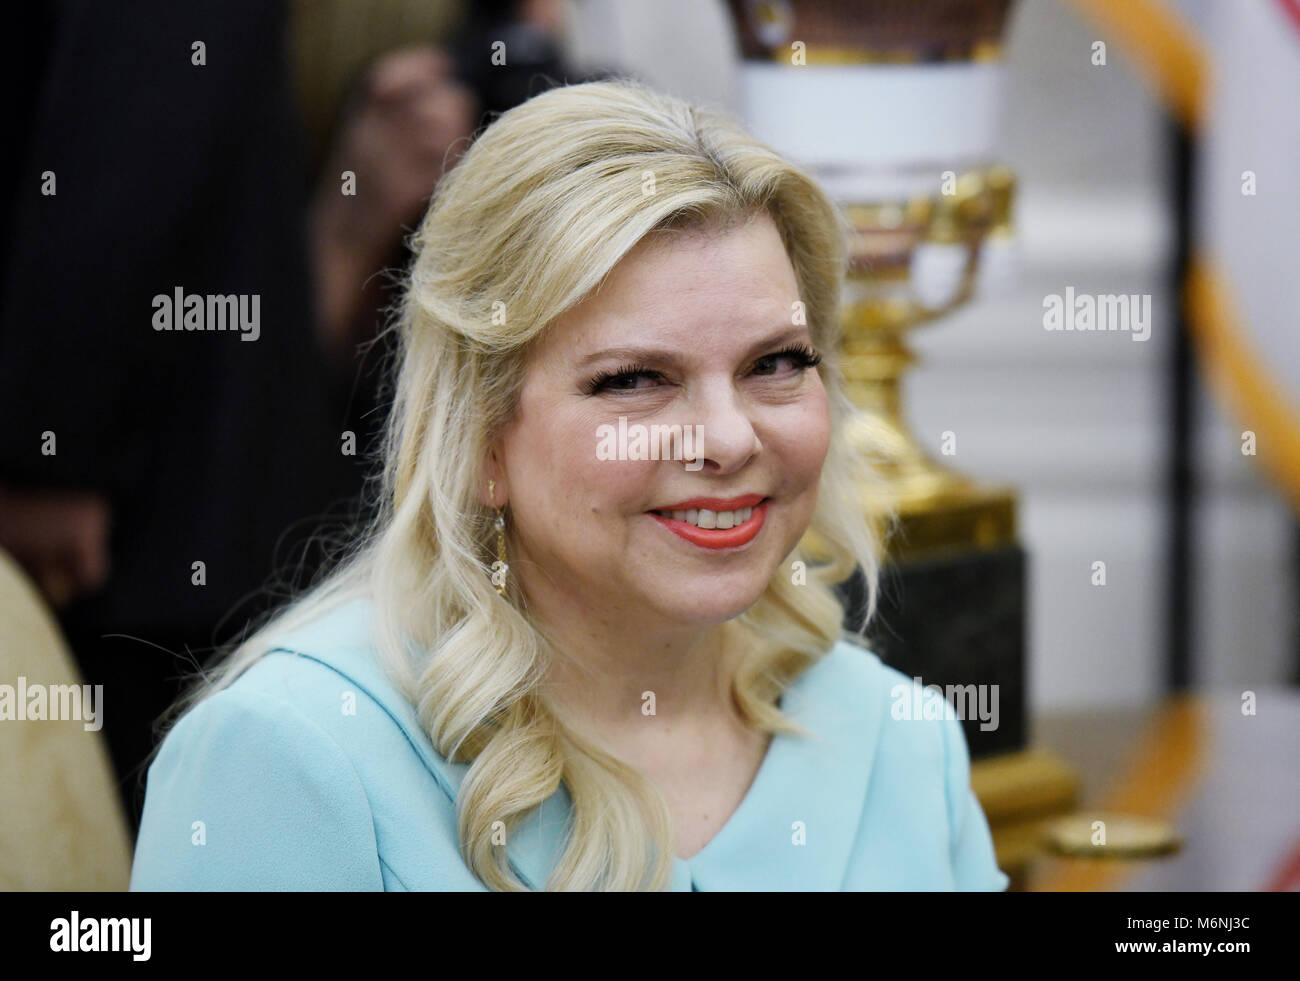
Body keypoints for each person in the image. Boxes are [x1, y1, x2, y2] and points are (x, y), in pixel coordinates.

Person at [129, 78, 1009, 892]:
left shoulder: (900, 739)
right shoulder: (289, 758)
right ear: (479, 438)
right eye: (633, 379)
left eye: (775, 363)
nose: (732, 437)